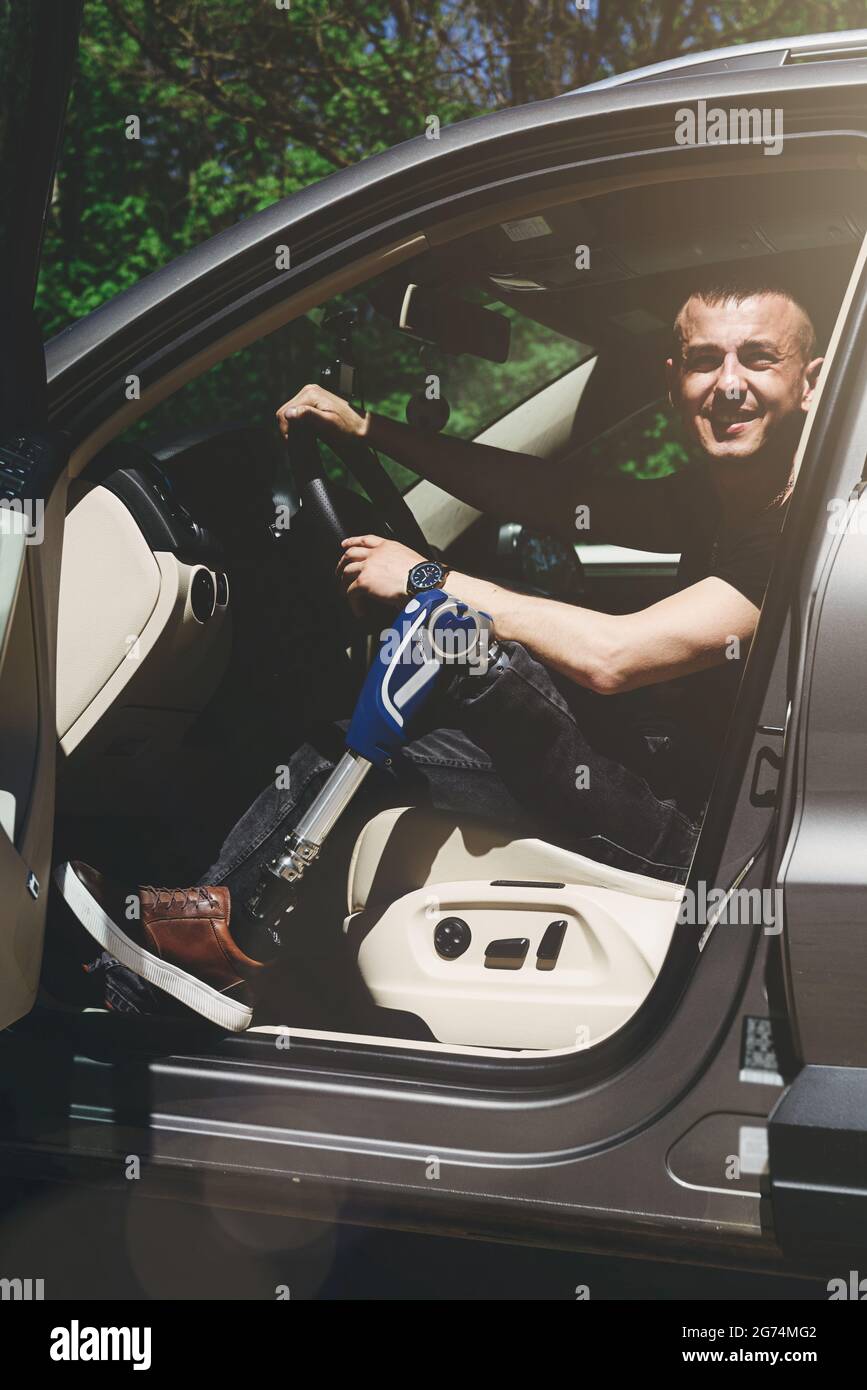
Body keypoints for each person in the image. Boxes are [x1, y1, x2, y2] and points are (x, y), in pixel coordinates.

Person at [57, 276, 823, 1028]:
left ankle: (201, 946)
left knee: (457, 646)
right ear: (673, 379)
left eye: (758, 358)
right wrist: (370, 430)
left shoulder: (806, 531)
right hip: (664, 784)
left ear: (811, 382)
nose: (728, 384)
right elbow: (547, 493)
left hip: (709, 840)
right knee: (371, 740)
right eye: (703, 360)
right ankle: (189, 946)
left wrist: (426, 577)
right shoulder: (715, 501)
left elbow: (612, 657)